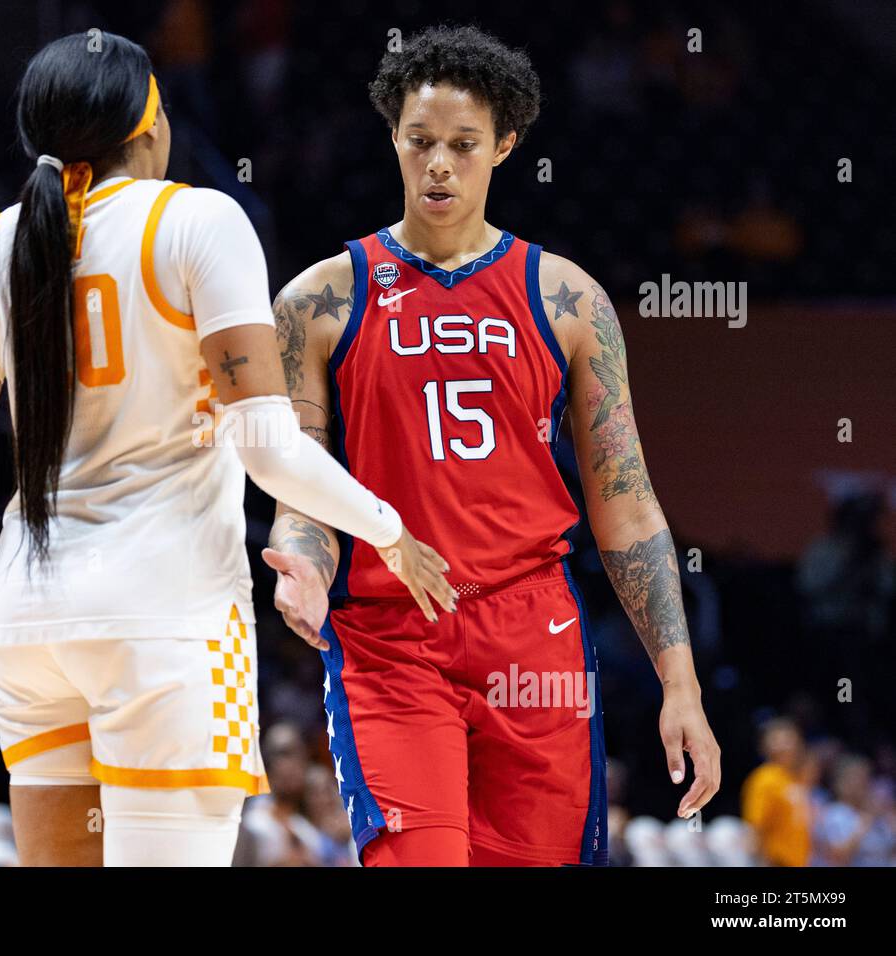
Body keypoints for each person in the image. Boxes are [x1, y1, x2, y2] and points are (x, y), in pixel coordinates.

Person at [0, 31, 452, 868]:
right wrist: (389, 529)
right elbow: (268, 449)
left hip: (29, 623)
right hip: (163, 619)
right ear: (147, 126)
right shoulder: (200, 219)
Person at [265, 24, 720, 866]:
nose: (439, 164)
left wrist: (679, 683)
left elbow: (626, 505)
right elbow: (301, 485)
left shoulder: (568, 300)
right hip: (392, 634)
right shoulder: (317, 302)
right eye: (420, 141)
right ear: (393, 140)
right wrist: (305, 565)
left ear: (505, 146)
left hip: (531, 633)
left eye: (463, 145)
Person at [742, 718, 812, 866]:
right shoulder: (764, 778)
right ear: (765, 746)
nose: (784, 746)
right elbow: (756, 828)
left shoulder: (797, 778)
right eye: (777, 740)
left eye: (788, 739)